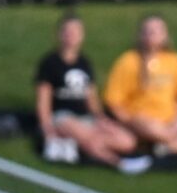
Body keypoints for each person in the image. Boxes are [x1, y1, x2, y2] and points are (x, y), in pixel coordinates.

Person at [103, 15, 177, 157]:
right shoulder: (128, 61)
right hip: (143, 121)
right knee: (150, 127)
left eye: (156, 31)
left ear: (165, 35)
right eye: (147, 31)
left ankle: (169, 149)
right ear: (140, 35)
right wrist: (127, 121)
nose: (151, 35)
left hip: (171, 120)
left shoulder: (174, 60)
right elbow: (113, 101)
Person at [35, 14, 145, 171]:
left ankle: (79, 146)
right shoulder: (50, 63)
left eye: (76, 31)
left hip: (85, 118)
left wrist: (101, 118)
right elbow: (43, 100)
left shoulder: (84, 63)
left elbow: (91, 97)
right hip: (62, 116)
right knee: (91, 139)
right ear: (59, 34)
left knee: (127, 141)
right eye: (67, 31)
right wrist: (47, 128)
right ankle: (117, 163)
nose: (71, 35)